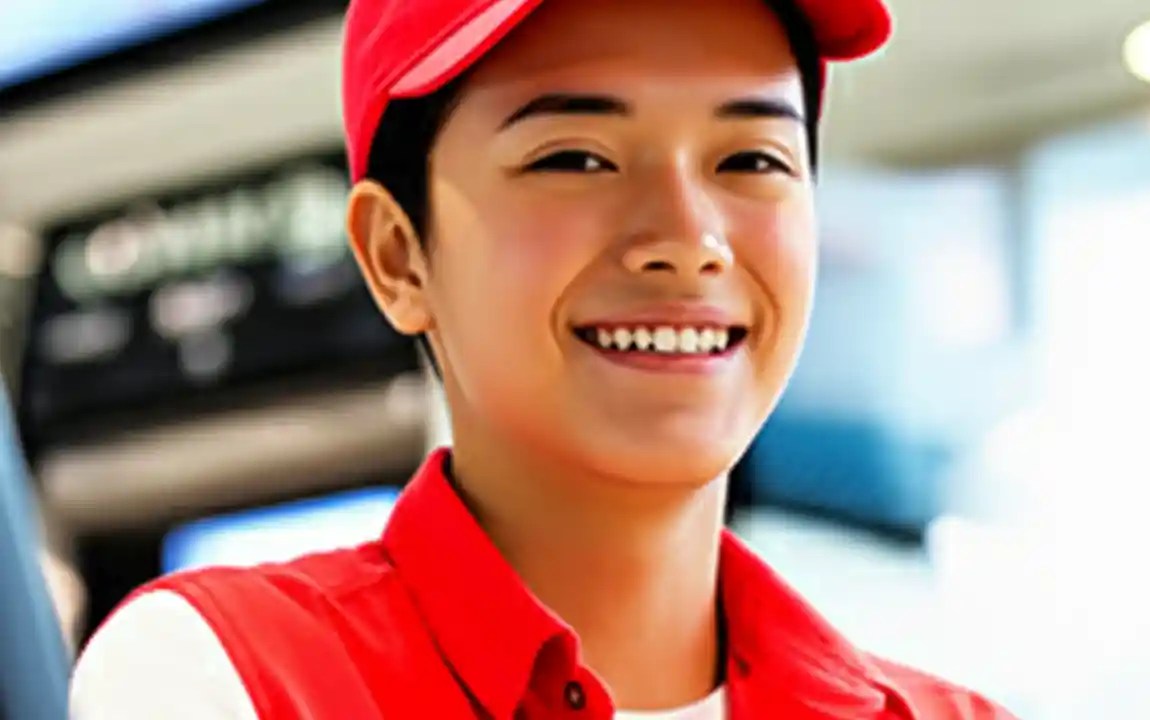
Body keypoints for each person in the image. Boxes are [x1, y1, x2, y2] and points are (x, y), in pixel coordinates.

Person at [70, 0, 1017, 717]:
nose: (689, 239)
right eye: (577, 157)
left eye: (752, 161)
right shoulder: (226, 672)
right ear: (398, 257)